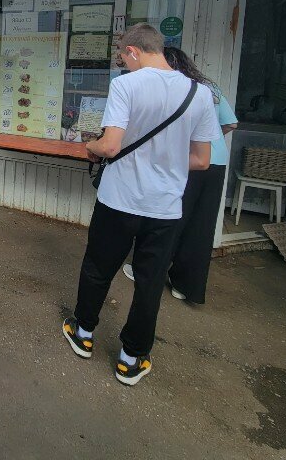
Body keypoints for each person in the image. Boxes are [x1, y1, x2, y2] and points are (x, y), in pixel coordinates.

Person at [61, 24, 218, 386]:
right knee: (149, 283)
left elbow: (112, 145)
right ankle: (131, 359)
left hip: (118, 201)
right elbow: (202, 160)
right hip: (164, 209)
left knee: (98, 268)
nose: (122, 64)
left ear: (133, 50)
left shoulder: (126, 85)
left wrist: (92, 147)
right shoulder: (199, 93)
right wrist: (167, 162)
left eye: (122, 57)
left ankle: (83, 333)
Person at [123, 47, 238, 304]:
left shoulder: (173, 90)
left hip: (186, 162)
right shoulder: (209, 89)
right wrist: (210, 140)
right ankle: (187, 286)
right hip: (215, 162)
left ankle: (147, 269)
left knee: (168, 219)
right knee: (201, 226)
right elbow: (230, 124)